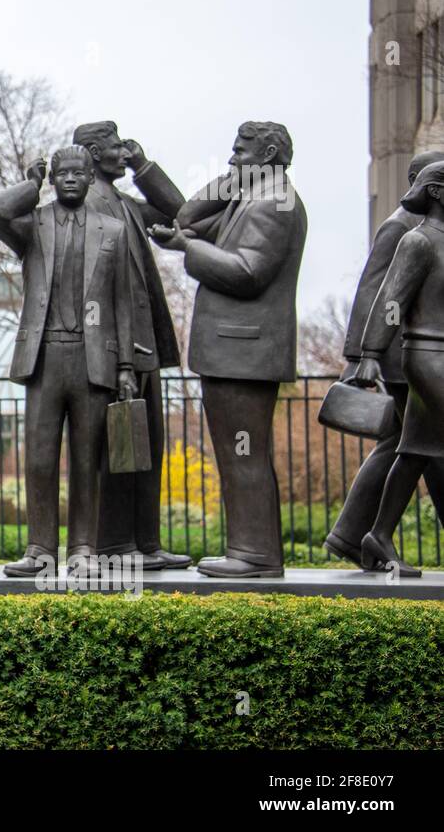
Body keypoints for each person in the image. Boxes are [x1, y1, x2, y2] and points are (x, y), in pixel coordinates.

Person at [152, 121, 307, 578]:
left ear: (272, 152)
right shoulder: (251, 196)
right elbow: (189, 218)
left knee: (244, 453)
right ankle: (249, 549)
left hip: (246, 354)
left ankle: (255, 554)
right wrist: (232, 179)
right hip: (234, 353)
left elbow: (247, 272)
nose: (232, 158)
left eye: (241, 151)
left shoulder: (274, 204)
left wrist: (185, 248)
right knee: (238, 453)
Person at [0, 147, 138, 577]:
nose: (70, 179)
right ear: (52, 179)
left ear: (91, 177)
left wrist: (125, 365)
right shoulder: (32, 225)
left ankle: (83, 549)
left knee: (87, 459)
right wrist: (29, 185)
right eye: (61, 173)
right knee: (39, 457)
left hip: (93, 360)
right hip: (44, 356)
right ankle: (40, 550)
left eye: (78, 172)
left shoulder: (113, 229)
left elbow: (122, 304)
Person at [73, 121, 191, 570]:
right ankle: (115, 544)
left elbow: (180, 214)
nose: (124, 154)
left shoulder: (123, 202)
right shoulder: (84, 202)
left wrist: (145, 166)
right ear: (90, 152)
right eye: (116, 148)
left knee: (146, 447)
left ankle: (145, 542)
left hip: (141, 345)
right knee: (118, 448)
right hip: (110, 347)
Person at [323, 150, 444, 567]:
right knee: (419, 445)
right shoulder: (403, 229)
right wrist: (362, 356)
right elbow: (375, 290)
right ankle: (360, 535)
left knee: (411, 446)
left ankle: (357, 535)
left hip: (419, 356)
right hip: (404, 357)